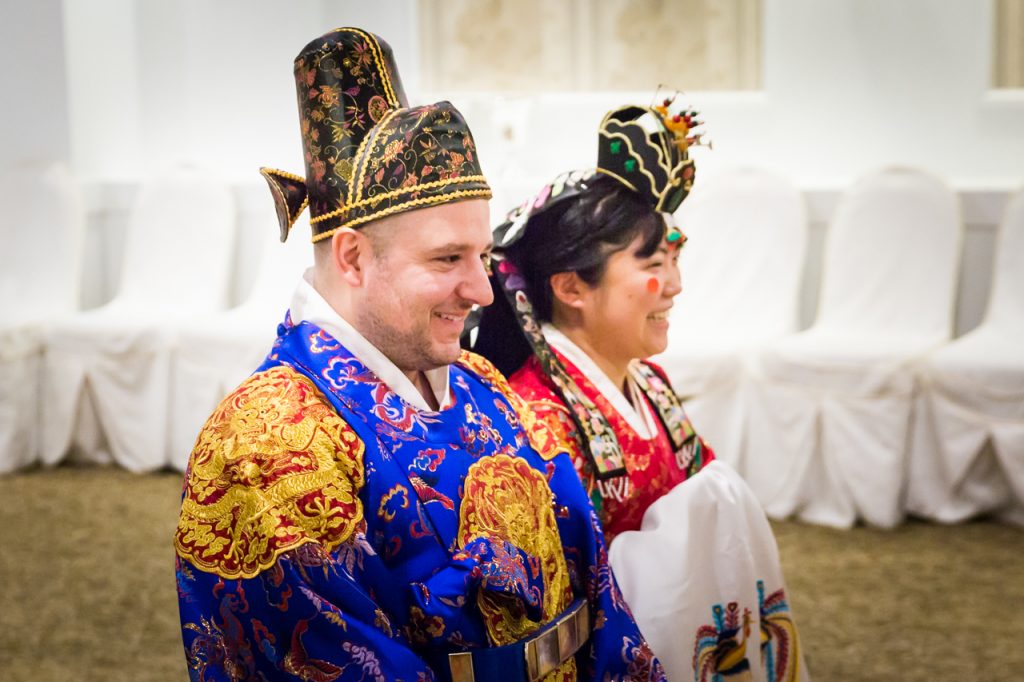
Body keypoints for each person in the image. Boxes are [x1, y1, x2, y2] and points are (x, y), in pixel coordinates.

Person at [173, 28, 665, 681]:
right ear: (351, 256)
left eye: (483, 255)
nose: (483, 289)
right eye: (447, 259)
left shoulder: (476, 380)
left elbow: (591, 584)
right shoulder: (266, 453)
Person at [472, 102, 809, 681]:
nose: (675, 286)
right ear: (572, 286)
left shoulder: (650, 381)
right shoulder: (541, 418)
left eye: (676, 258)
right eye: (653, 263)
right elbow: (559, 598)